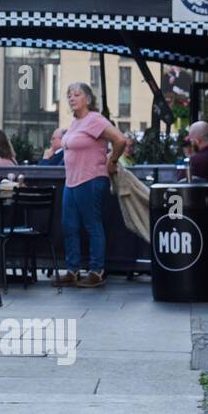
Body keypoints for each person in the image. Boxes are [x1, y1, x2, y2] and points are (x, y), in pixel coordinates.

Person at [58, 81, 129, 288]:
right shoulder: (74, 123)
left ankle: (97, 271)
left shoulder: (94, 119)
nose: (71, 98)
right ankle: (72, 271)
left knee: (92, 225)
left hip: (90, 179)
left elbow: (120, 140)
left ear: (88, 99)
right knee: (69, 226)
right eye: (69, 95)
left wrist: (112, 161)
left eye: (77, 94)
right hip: (71, 181)